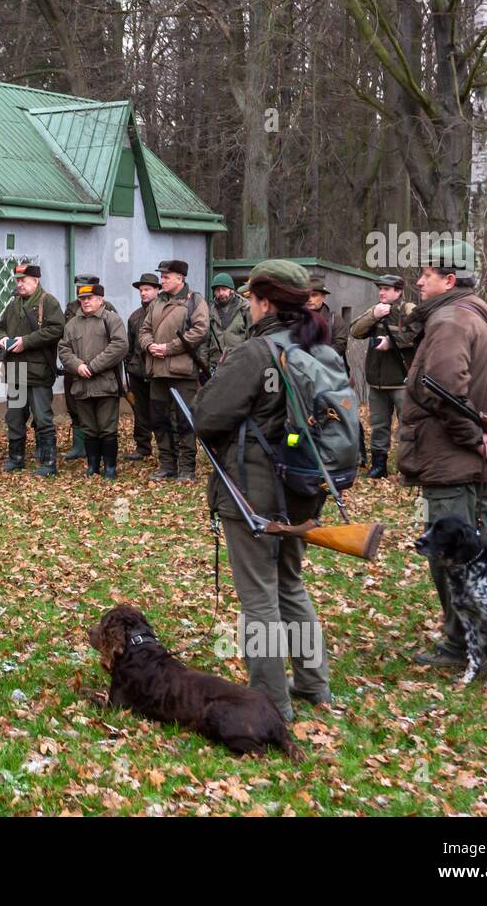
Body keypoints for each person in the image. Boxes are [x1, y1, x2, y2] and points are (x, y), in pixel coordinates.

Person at [192, 260, 332, 720]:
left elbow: (207, 417)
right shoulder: (319, 348)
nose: (249, 306)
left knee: (258, 596)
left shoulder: (257, 353)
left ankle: (272, 700)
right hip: (304, 489)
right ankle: (313, 683)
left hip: (255, 493)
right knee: (290, 583)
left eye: (252, 299)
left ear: (265, 302)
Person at [398, 240, 487, 668]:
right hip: (473, 458)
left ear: (449, 280)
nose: (418, 281)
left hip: (452, 459)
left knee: (449, 553)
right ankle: (482, 636)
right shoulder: (480, 313)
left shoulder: (449, 319)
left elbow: (446, 394)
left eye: (426, 275)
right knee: (478, 552)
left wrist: (480, 439)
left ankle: (459, 645)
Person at [138, 259, 208, 481]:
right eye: (162, 276)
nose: (163, 280)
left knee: (185, 421)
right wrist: (149, 345)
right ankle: (167, 464)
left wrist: (169, 348)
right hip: (157, 371)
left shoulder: (195, 301)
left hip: (182, 372)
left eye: (167, 276)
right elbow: (144, 330)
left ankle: (187, 468)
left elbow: (200, 331)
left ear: (180, 278)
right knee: (159, 419)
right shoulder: (157, 303)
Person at [0, 263, 65, 476]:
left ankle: (48, 462)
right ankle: (16, 459)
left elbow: (57, 330)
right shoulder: (13, 303)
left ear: (36, 280)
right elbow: (0, 328)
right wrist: (2, 340)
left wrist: (26, 341)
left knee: (42, 417)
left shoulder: (48, 302)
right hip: (16, 372)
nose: (19, 284)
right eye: (17, 280)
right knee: (14, 416)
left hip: (39, 371)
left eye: (23, 280)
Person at [58, 282, 128, 478]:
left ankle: (110, 468)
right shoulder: (72, 324)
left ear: (100, 299)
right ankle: (92, 466)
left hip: (106, 384)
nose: (85, 302)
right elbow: (63, 349)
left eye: (89, 299)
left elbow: (120, 346)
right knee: (89, 428)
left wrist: (93, 366)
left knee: (107, 428)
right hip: (82, 386)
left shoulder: (112, 319)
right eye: (82, 299)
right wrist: (77, 366)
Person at [349, 274, 415, 478]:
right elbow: (355, 332)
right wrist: (373, 316)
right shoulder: (375, 310)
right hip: (377, 382)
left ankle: (408, 466)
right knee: (378, 426)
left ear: (398, 292)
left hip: (401, 381)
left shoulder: (409, 311)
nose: (382, 292)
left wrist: (391, 341)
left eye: (387, 289)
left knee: (408, 425)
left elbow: (418, 335)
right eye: (380, 289)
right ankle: (379, 465)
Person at [125, 272, 160, 461]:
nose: (143, 293)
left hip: (157, 370)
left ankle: (167, 447)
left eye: (147, 289)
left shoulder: (163, 313)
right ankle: (143, 446)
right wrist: (131, 365)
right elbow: (129, 347)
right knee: (140, 410)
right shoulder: (134, 317)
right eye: (141, 290)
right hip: (138, 371)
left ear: (157, 290)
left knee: (161, 410)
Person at [204, 271, 249, 370]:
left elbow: (252, 337)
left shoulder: (244, 308)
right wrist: (204, 366)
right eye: (217, 290)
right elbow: (205, 341)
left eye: (224, 289)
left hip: (240, 364)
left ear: (231, 290)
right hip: (215, 365)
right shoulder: (209, 311)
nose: (220, 293)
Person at [306, 280, 348, 358]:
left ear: (323, 298)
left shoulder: (334, 319)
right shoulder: (296, 318)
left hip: (326, 366)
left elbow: (340, 346)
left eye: (314, 295)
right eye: (306, 295)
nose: (309, 299)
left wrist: (318, 356)